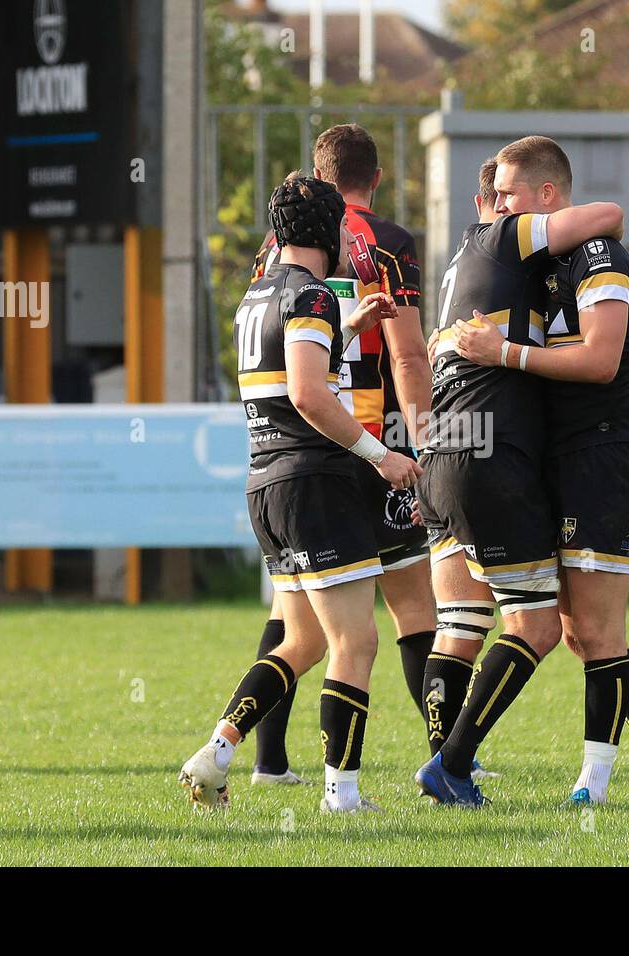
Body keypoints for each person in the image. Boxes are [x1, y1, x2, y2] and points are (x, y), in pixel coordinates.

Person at [453, 136, 629, 803]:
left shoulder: (598, 257)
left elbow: (599, 361)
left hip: (607, 456)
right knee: (580, 631)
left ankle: (591, 787)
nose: (495, 206)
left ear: (546, 195)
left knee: (595, 631)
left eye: (506, 194)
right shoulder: (547, 266)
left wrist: (503, 353)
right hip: (565, 461)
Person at [178, 174, 421, 813]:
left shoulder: (256, 294)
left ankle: (219, 750)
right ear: (325, 231)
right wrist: (382, 455)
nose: (349, 237)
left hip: (266, 483)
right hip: (317, 482)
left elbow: (287, 376)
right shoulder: (311, 295)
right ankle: (341, 794)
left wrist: (347, 326)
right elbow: (309, 395)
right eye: (343, 227)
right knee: (357, 642)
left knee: (304, 642)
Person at [412, 143, 627, 806]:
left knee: (460, 621)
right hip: (489, 458)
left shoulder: (462, 266)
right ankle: (451, 765)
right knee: (538, 627)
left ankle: (450, 764)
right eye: (499, 194)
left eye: (508, 192)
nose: (500, 203)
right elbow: (610, 213)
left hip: (445, 451)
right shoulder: (504, 238)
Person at [245, 124, 437, 784]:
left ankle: (265, 758)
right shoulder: (388, 245)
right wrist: (417, 442)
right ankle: (442, 758)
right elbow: (409, 355)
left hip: (284, 455)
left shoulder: (272, 254)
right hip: (363, 437)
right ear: (375, 179)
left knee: (294, 618)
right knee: (409, 606)